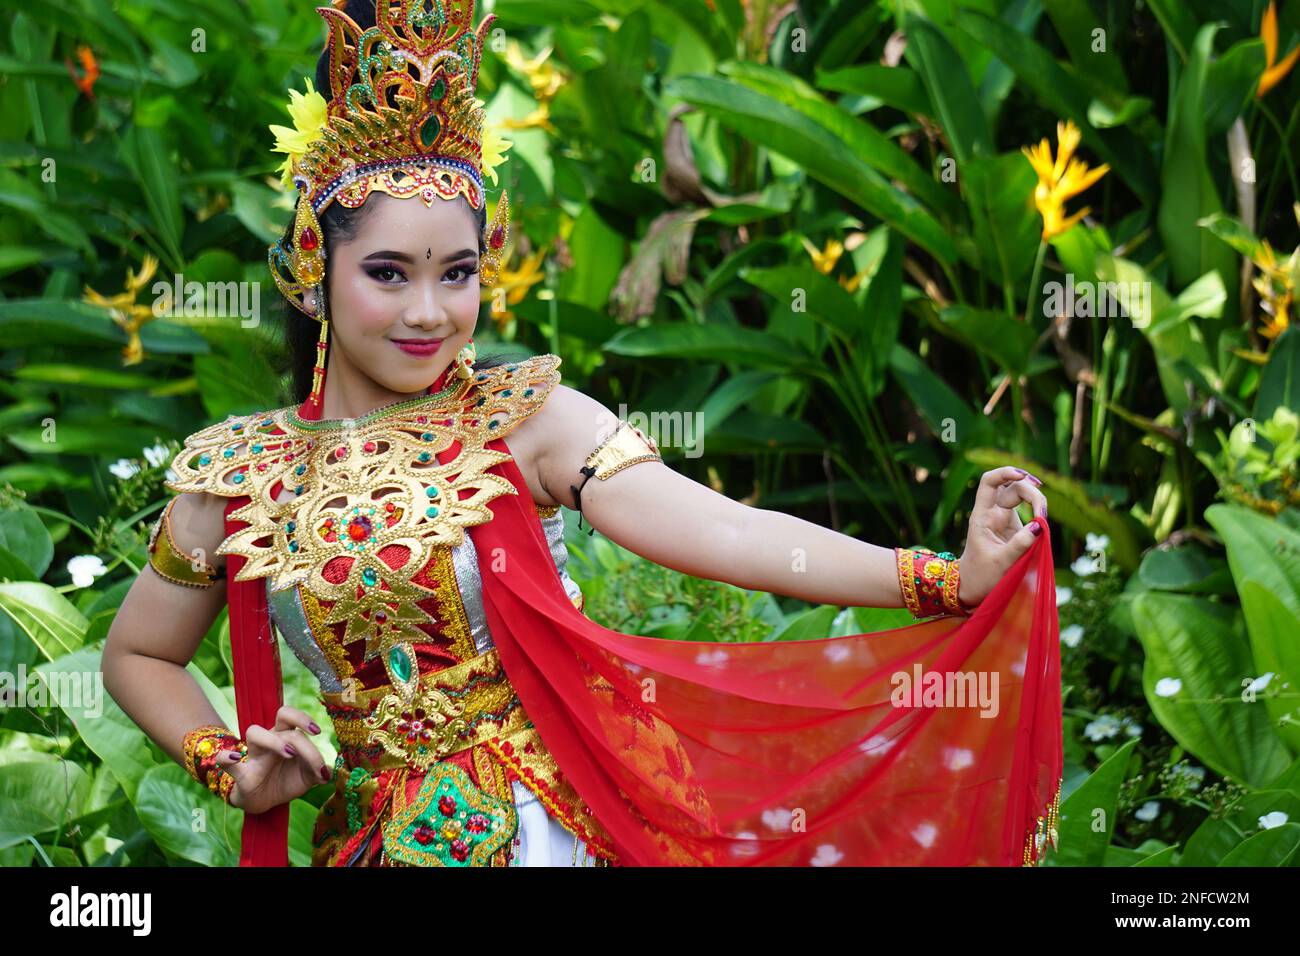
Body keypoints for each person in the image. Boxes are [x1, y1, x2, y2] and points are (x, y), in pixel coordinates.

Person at [102, 0, 1061, 867]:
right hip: (373, 845)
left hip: (553, 829)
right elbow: (137, 656)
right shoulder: (241, 476)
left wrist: (938, 578)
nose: (430, 312)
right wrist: (229, 763)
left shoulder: (525, 424)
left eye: (459, 272)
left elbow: (727, 533)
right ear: (313, 264)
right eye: (388, 273)